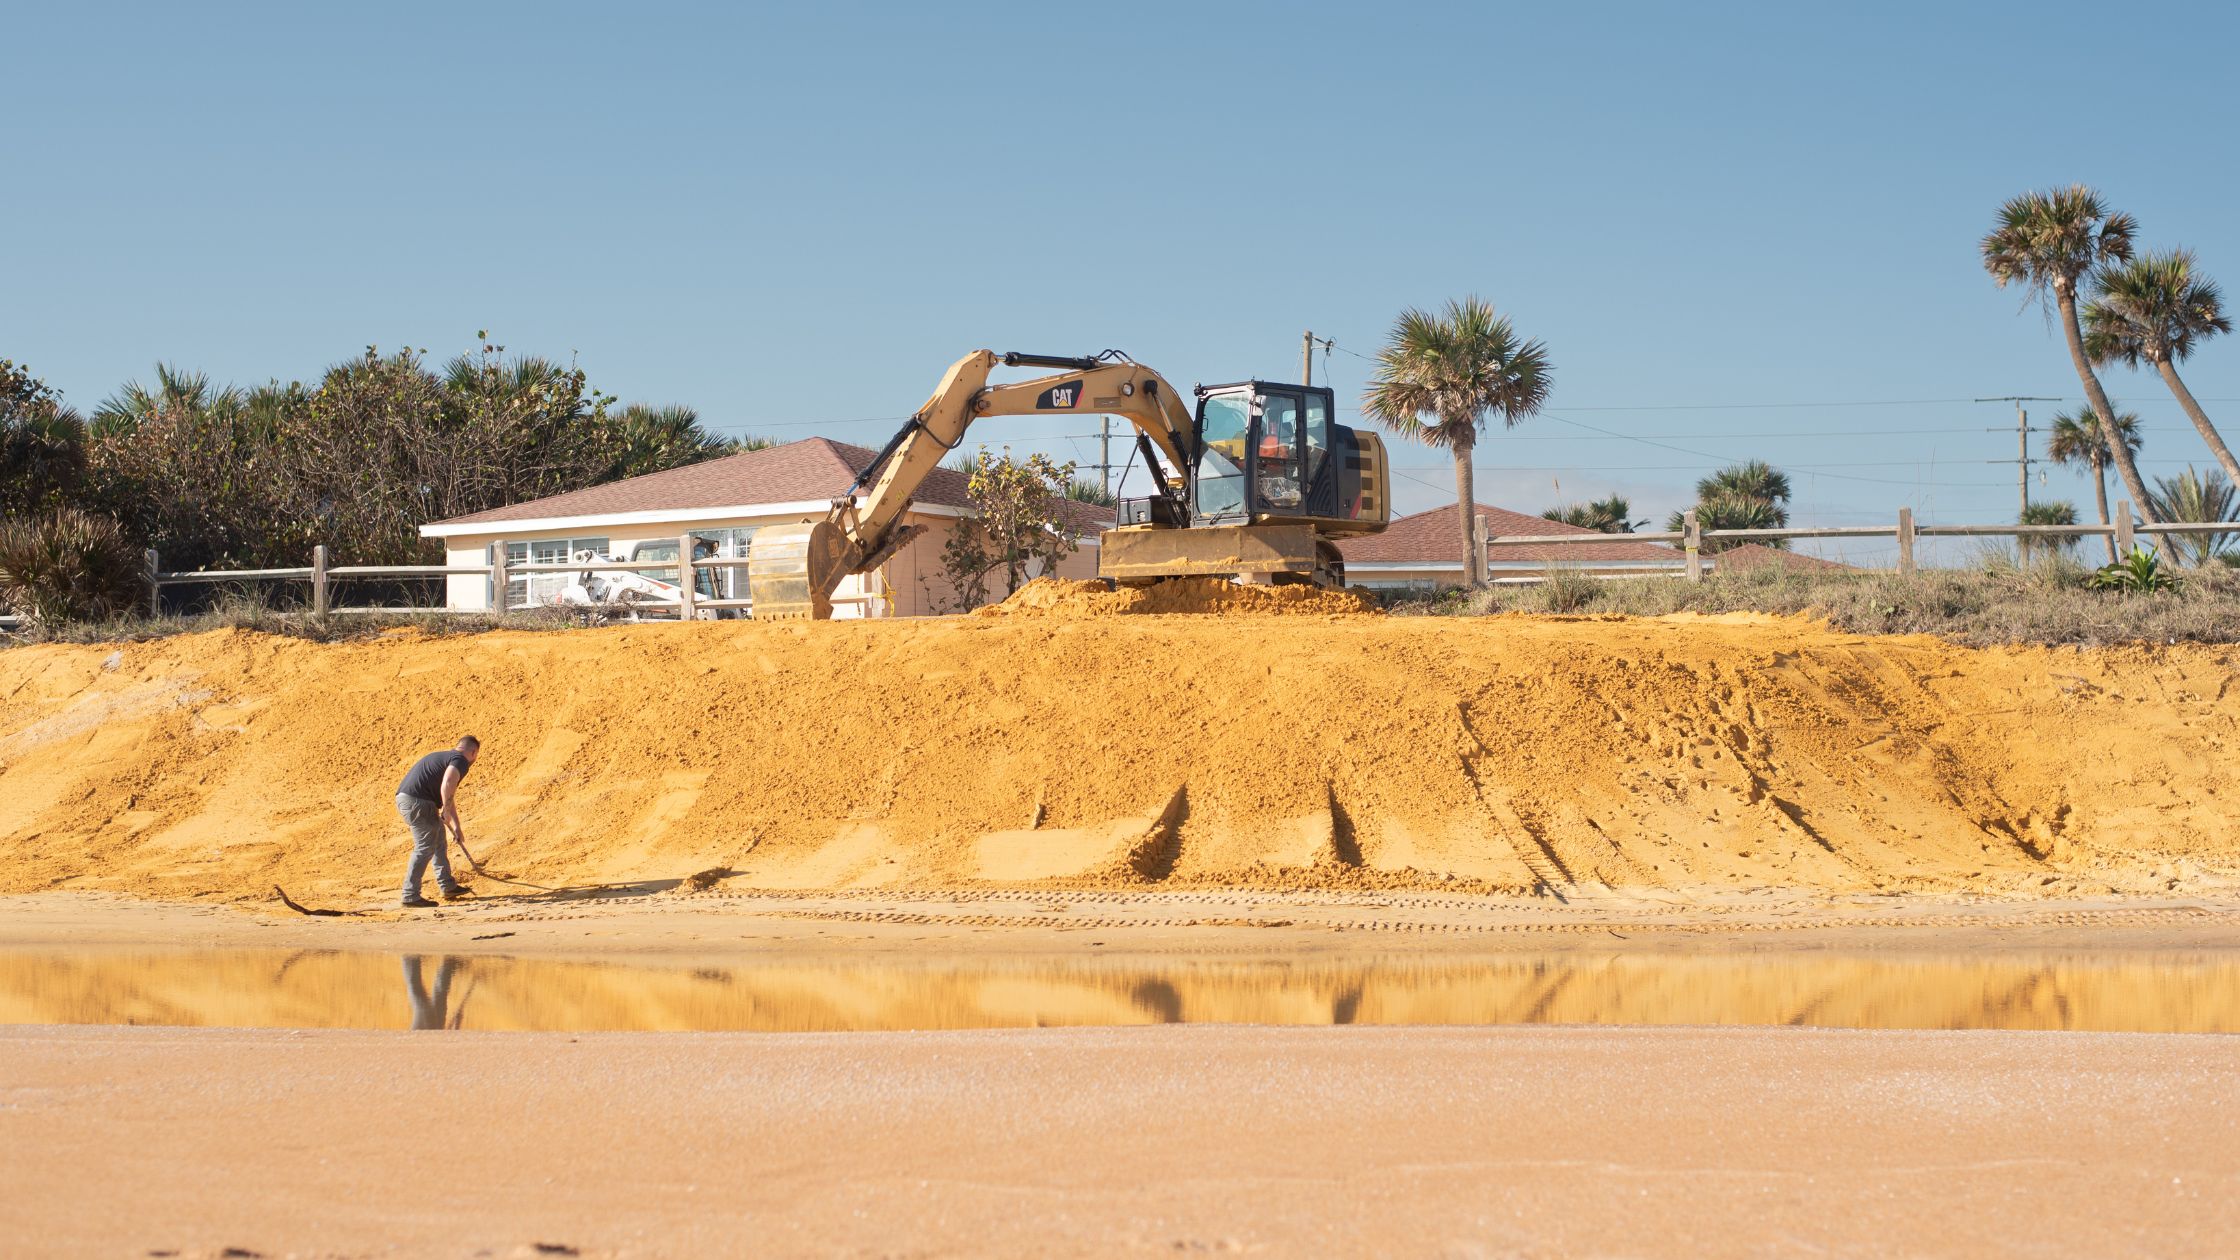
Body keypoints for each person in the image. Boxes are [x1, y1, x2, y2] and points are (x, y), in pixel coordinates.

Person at [396, 736, 480, 908]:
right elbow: (447, 783)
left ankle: (447, 886)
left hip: (412, 800)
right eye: (476, 755)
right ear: (473, 752)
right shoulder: (460, 761)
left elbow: (449, 794)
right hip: (418, 802)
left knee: (439, 841)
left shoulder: (446, 757)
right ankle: (410, 895)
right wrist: (446, 811)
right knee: (425, 847)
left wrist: (456, 826)